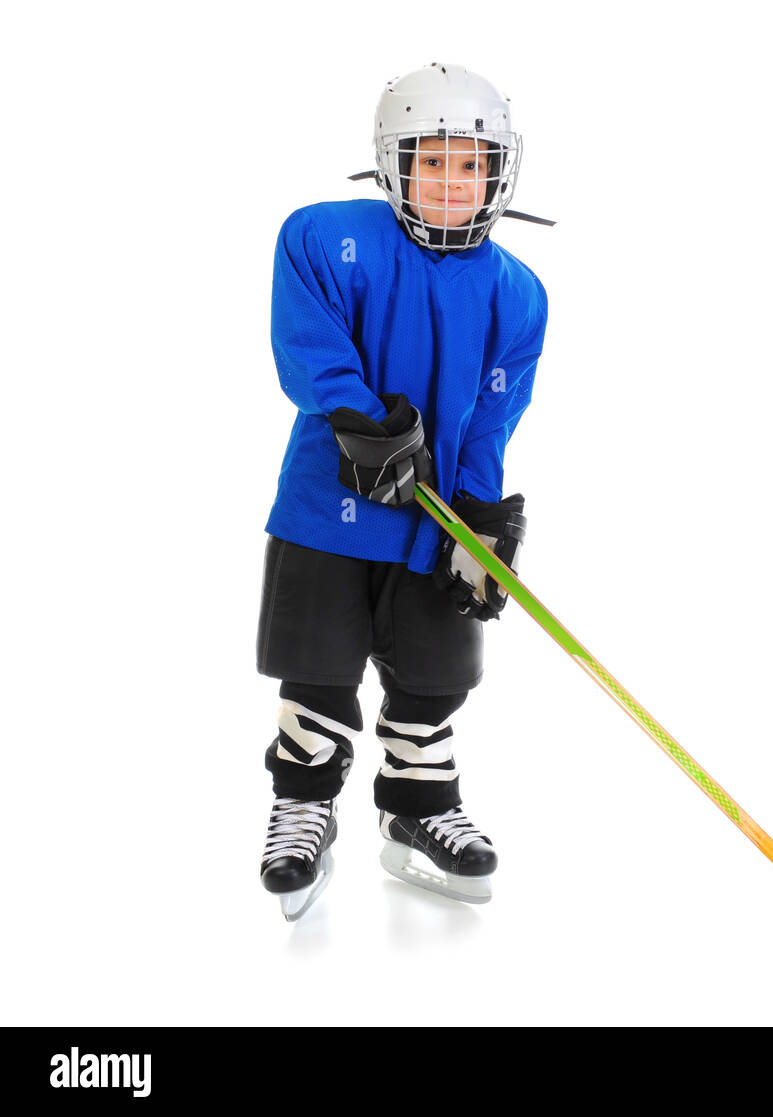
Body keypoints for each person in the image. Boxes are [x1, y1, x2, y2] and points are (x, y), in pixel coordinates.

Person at [255, 62, 549, 921]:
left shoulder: (518, 292)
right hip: (328, 509)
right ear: (393, 165)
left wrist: (482, 520)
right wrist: (357, 417)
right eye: (432, 163)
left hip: (433, 518)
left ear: (498, 172)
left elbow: (493, 415)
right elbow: (309, 340)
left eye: (470, 166)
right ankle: (305, 803)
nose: (452, 184)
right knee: (318, 669)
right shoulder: (324, 237)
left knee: (433, 674)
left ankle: (418, 805)